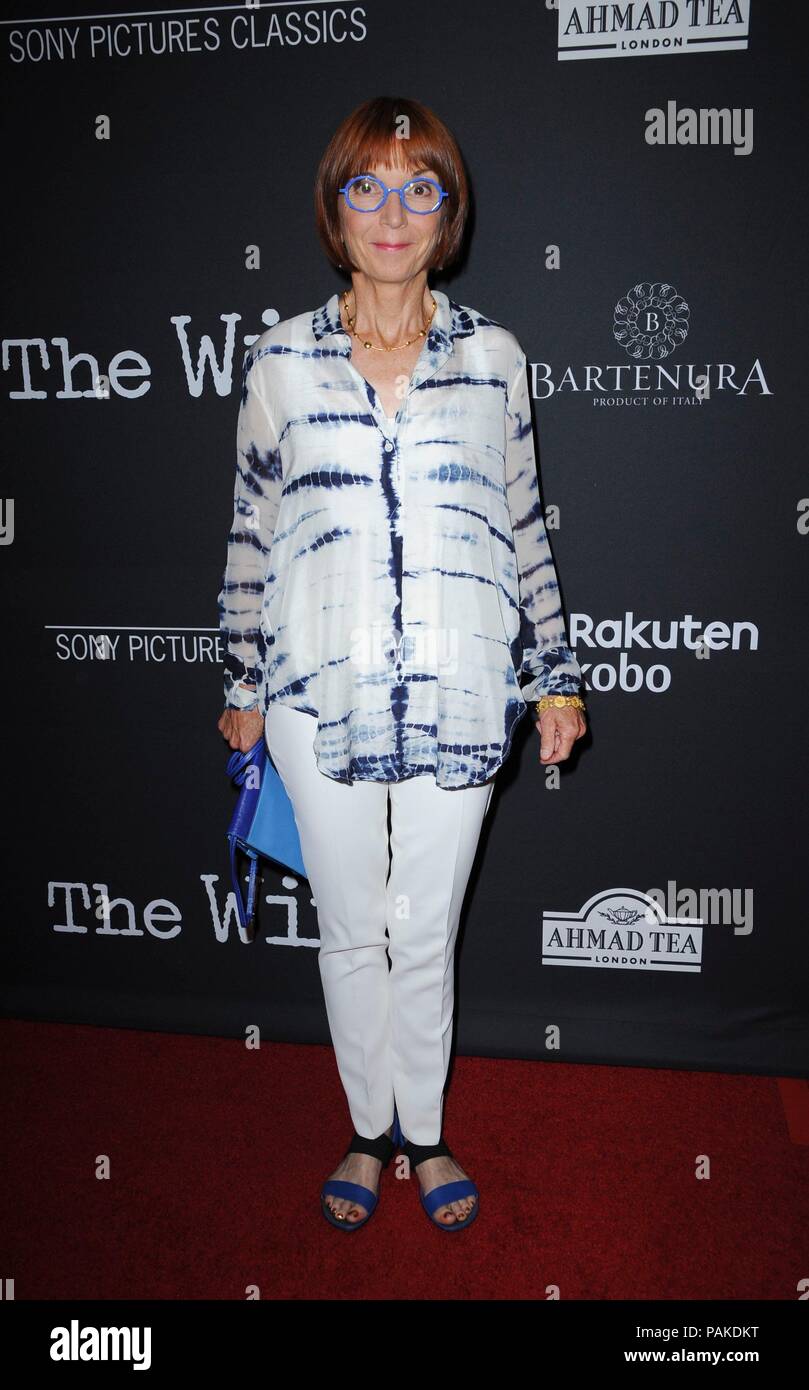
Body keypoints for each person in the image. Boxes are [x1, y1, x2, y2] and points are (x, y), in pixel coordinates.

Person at [218, 95, 586, 1231]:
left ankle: (422, 1134)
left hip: (465, 684)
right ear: (335, 208)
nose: (391, 212)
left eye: (418, 187)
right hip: (312, 691)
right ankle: (364, 1129)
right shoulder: (279, 357)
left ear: (446, 210)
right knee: (348, 927)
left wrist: (555, 673)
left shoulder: (496, 357)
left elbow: (525, 525)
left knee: (422, 928)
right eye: (365, 187)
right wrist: (238, 682)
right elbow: (249, 529)